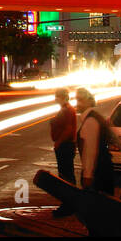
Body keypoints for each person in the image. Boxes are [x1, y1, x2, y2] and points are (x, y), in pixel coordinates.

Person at [75, 87, 121, 194]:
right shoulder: (97, 117)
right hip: (104, 170)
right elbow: (113, 134)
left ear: (88, 102)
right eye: (77, 99)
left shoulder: (90, 121)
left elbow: (90, 151)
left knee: (96, 205)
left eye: (80, 100)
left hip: (97, 173)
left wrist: (87, 175)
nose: (77, 103)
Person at [49, 88, 77, 217]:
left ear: (63, 97)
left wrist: (58, 142)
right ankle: (69, 203)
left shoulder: (67, 110)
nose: (55, 99)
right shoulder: (66, 109)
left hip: (65, 146)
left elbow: (68, 129)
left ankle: (68, 205)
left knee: (65, 176)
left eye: (57, 96)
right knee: (65, 175)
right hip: (65, 145)